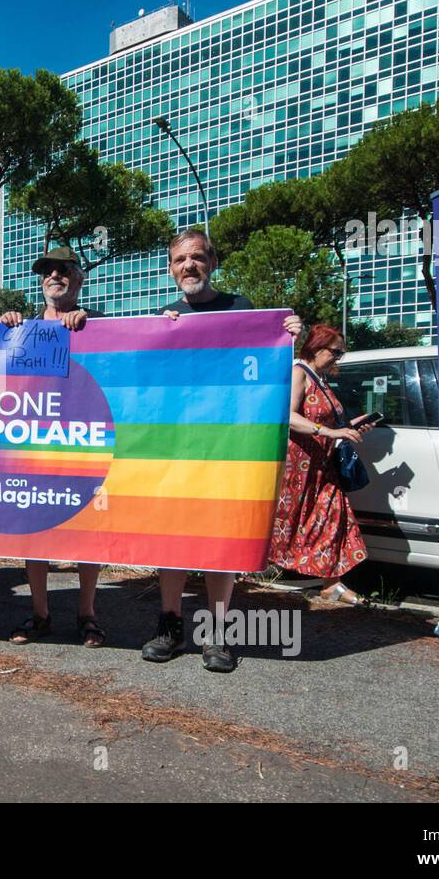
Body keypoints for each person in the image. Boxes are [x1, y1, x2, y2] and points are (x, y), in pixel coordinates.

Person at [141, 229, 304, 672]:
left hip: (228, 449)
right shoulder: (165, 317)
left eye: (196, 257)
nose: (188, 266)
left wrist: (289, 333)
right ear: (171, 269)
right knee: (171, 540)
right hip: (174, 449)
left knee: (220, 539)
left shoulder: (243, 309)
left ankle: (219, 634)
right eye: (179, 260)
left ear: (212, 262)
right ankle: (170, 626)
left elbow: (266, 370)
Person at [0, 248, 106, 648]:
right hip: (33, 444)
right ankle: (40, 614)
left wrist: (88, 324)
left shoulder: (97, 326)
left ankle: (87, 615)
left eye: (64, 270)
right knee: (34, 531)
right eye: (47, 271)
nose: (55, 276)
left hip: (84, 444)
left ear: (78, 279)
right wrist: (8, 325)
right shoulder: (20, 328)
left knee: (87, 531)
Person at [267, 324, 373, 603]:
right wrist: (330, 432)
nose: (338, 358)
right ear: (316, 347)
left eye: (342, 353)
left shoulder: (322, 379)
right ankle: (242, 569)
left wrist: (350, 427)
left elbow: (327, 422)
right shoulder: (299, 373)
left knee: (335, 517)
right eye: (335, 352)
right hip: (299, 467)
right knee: (285, 523)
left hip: (321, 466)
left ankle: (331, 583)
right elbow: (288, 416)